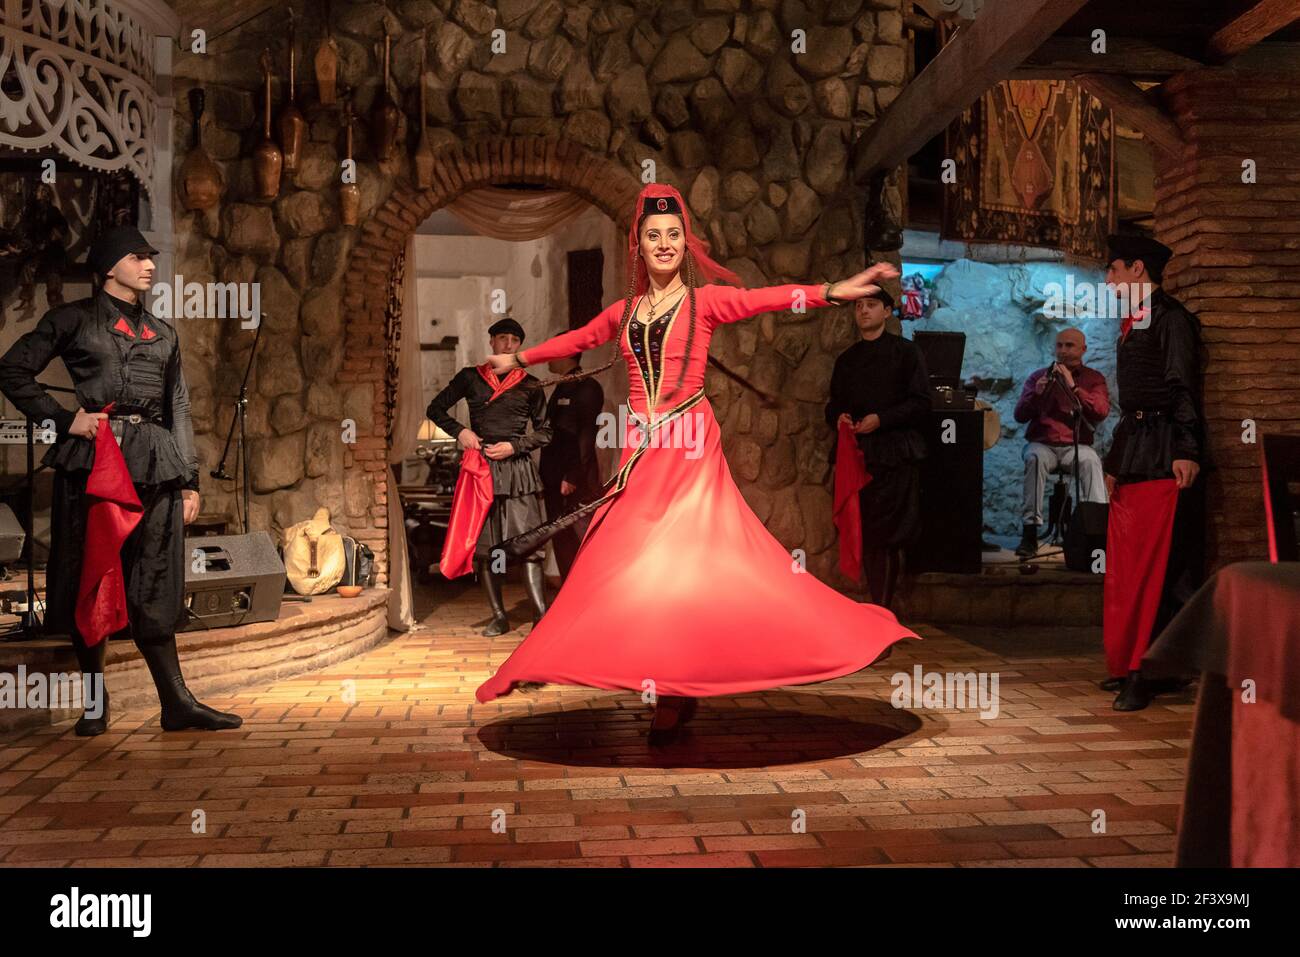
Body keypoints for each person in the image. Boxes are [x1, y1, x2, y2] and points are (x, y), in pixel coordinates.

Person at [473, 183, 918, 745]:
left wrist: (833, 290)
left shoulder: (705, 302)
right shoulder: (625, 310)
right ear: (639, 245)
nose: (664, 244)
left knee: (687, 566)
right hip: (641, 446)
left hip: (688, 443)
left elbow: (767, 298)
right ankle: (565, 664)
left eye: (674, 236)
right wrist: (519, 357)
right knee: (617, 564)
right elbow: (583, 336)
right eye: (653, 236)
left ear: (686, 243)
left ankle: (676, 692)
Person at [0, 225, 242, 736]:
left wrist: (191, 479)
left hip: (157, 464)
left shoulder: (164, 332)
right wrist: (66, 419)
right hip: (97, 464)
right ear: (110, 266)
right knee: (93, 577)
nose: (150, 265)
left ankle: (176, 703)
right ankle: (94, 702)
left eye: (151, 257)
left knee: (156, 581)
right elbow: (12, 369)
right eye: (139, 257)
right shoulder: (74, 319)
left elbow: (178, 406)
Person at [1101, 234, 1205, 711]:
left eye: (1114, 269)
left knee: (1156, 568)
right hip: (1136, 450)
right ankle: (1131, 665)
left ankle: (1149, 670)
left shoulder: (1171, 319)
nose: (1108, 279)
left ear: (1138, 269)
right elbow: (1132, 404)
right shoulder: (1133, 321)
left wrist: (1187, 448)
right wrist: (1114, 461)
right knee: (1127, 568)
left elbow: (1181, 384)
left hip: (1164, 451)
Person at [426, 317, 552, 636]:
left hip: (519, 470)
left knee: (529, 544)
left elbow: (546, 431)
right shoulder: (470, 378)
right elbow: (435, 408)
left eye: (514, 340)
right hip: (480, 471)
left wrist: (515, 446)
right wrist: (461, 431)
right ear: (492, 343)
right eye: (502, 338)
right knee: (488, 548)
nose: (508, 345)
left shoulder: (531, 383)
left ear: (519, 347)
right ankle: (498, 616)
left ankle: (541, 614)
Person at [824, 288, 929, 613]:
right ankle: (877, 611)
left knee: (888, 536)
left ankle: (883, 611)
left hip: (895, 454)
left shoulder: (907, 353)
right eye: (858, 306)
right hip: (858, 455)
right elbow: (834, 404)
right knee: (868, 533)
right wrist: (838, 417)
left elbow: (921, 403)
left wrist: (881, 419)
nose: (863, 311)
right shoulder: (847, 360)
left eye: (871, 305)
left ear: (887, 311)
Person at [1013, 328, 1111, 557]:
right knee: (1034, 458)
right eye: (1059, 345)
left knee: (1091, 462)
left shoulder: (1093, 379)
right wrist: (1036, 394)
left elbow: (1101, 411)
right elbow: (1019, 416)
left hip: (1076, 445)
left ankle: (1094, 534)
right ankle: (1030, 533)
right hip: (1043, 444)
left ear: (1083, 349)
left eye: (1069, 345)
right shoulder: (1038, 377)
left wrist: (1074, 387)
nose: (1063, 350)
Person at [538, 352, 604, 581]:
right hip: (556, 480)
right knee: (563, 541)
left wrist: (573, 476)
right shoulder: (563, 386)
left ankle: (592, 595)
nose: (547, 358)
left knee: (583, 542)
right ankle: (570, 595)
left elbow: (586, 435)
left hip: (575, 483)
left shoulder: (587, 387)